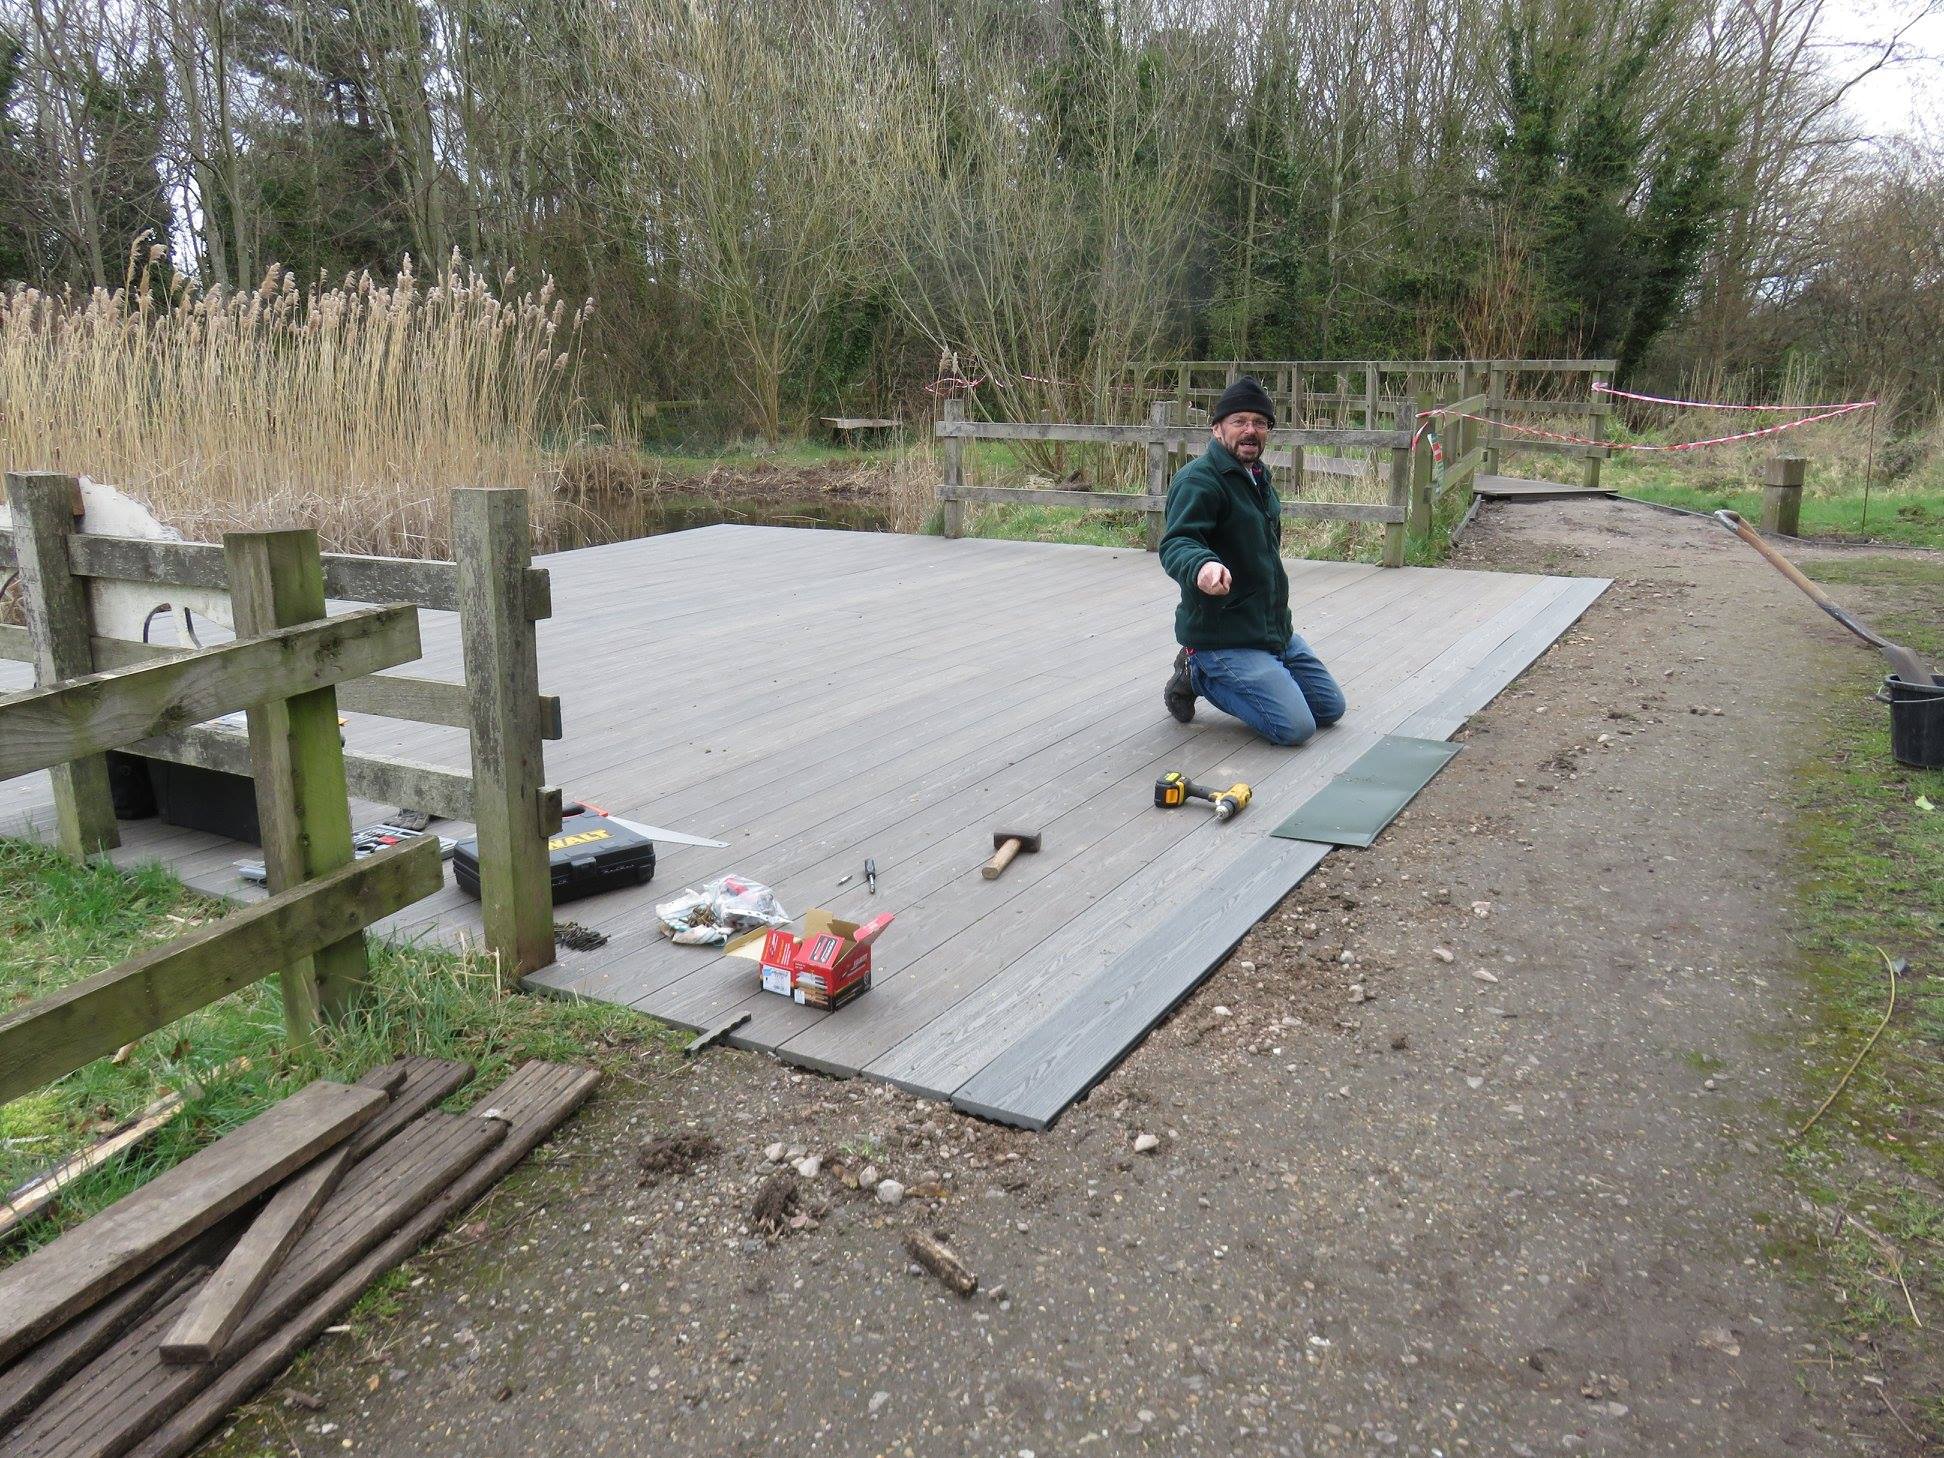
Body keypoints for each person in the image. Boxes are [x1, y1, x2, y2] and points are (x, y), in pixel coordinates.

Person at [1158, 375, 1347, 746]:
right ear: (1216, 428)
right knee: (1295, 728)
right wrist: (1202, 566)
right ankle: (1196, 672)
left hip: (1270, 627)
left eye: (1260, 423)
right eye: (1239, 421)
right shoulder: (1199, 480)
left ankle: (1263, 671)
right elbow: (1178, 541)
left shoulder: (1258, 476)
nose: (1250, 431)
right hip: (1223, 633)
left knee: (1329, 709)